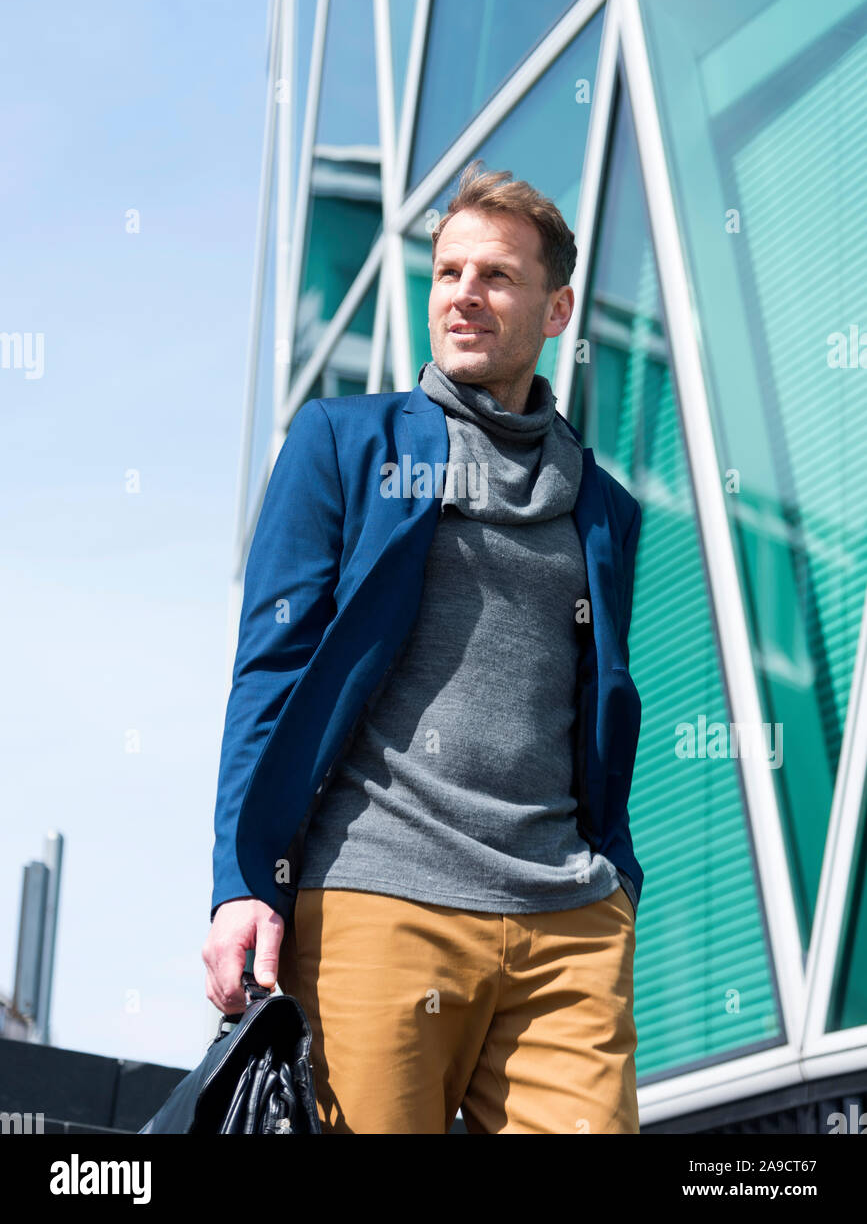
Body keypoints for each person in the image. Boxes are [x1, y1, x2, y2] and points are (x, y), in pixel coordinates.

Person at [202, 159, 643, 1134]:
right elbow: (270, 675)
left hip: (568, 919)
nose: (464, 296)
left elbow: (601, 693)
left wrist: (615, 874)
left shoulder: (605, 506)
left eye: (495, 276)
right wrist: (241, 882)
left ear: (557, 307)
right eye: (447, 272)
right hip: (379, 895)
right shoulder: (342, 444)